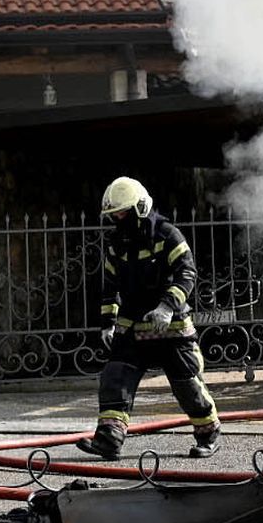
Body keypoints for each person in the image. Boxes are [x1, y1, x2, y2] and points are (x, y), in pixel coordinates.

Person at [76, 177, 221, 460]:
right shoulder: (117, 243)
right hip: (132, 325)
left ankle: (207, 434)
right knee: (115, 377)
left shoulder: (168, 235)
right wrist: (107, 324)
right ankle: (109, 440)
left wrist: (167, 307)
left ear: (139, 208)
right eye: (113, 215)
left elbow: (187, 273)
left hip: (171, 326)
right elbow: (109, 286)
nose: (118, 219)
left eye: (122, 213)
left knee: (187, 384)